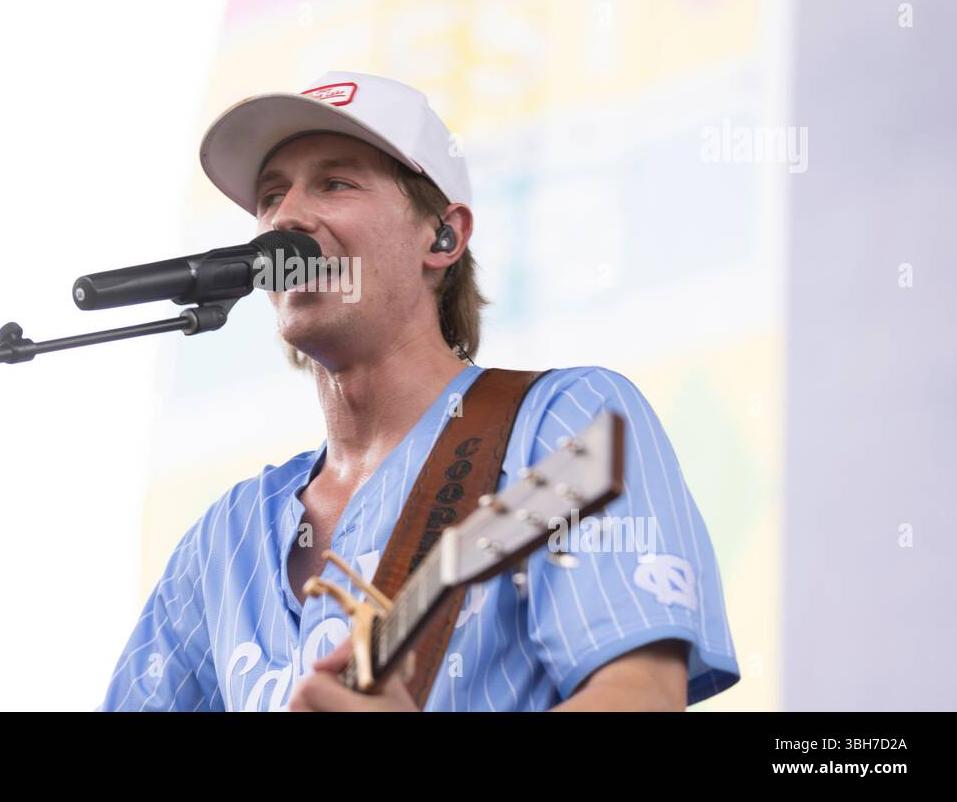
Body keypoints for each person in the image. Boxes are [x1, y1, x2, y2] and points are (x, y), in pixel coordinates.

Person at [97, 71, 740, 711]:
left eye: (335, 182)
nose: (284, 217)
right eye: (270, 196)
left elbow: (641, 697)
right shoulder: (222, 540)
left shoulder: (562, 421)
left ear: (443, 235)